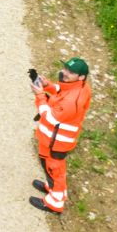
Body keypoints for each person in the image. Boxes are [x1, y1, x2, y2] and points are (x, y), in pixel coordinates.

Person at [29, 58, 92, 215]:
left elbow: (50, 117)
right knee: (49, 167)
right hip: (50, 139)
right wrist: (48, 85)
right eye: (65, 68)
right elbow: (61, 90)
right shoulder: (78, 86)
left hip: (57, 142)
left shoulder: (72, 101)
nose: (64, 73)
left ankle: (55, 203)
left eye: (70, 72)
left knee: (54, 169)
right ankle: (52, 188)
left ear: (81, 77)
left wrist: (40, 95)